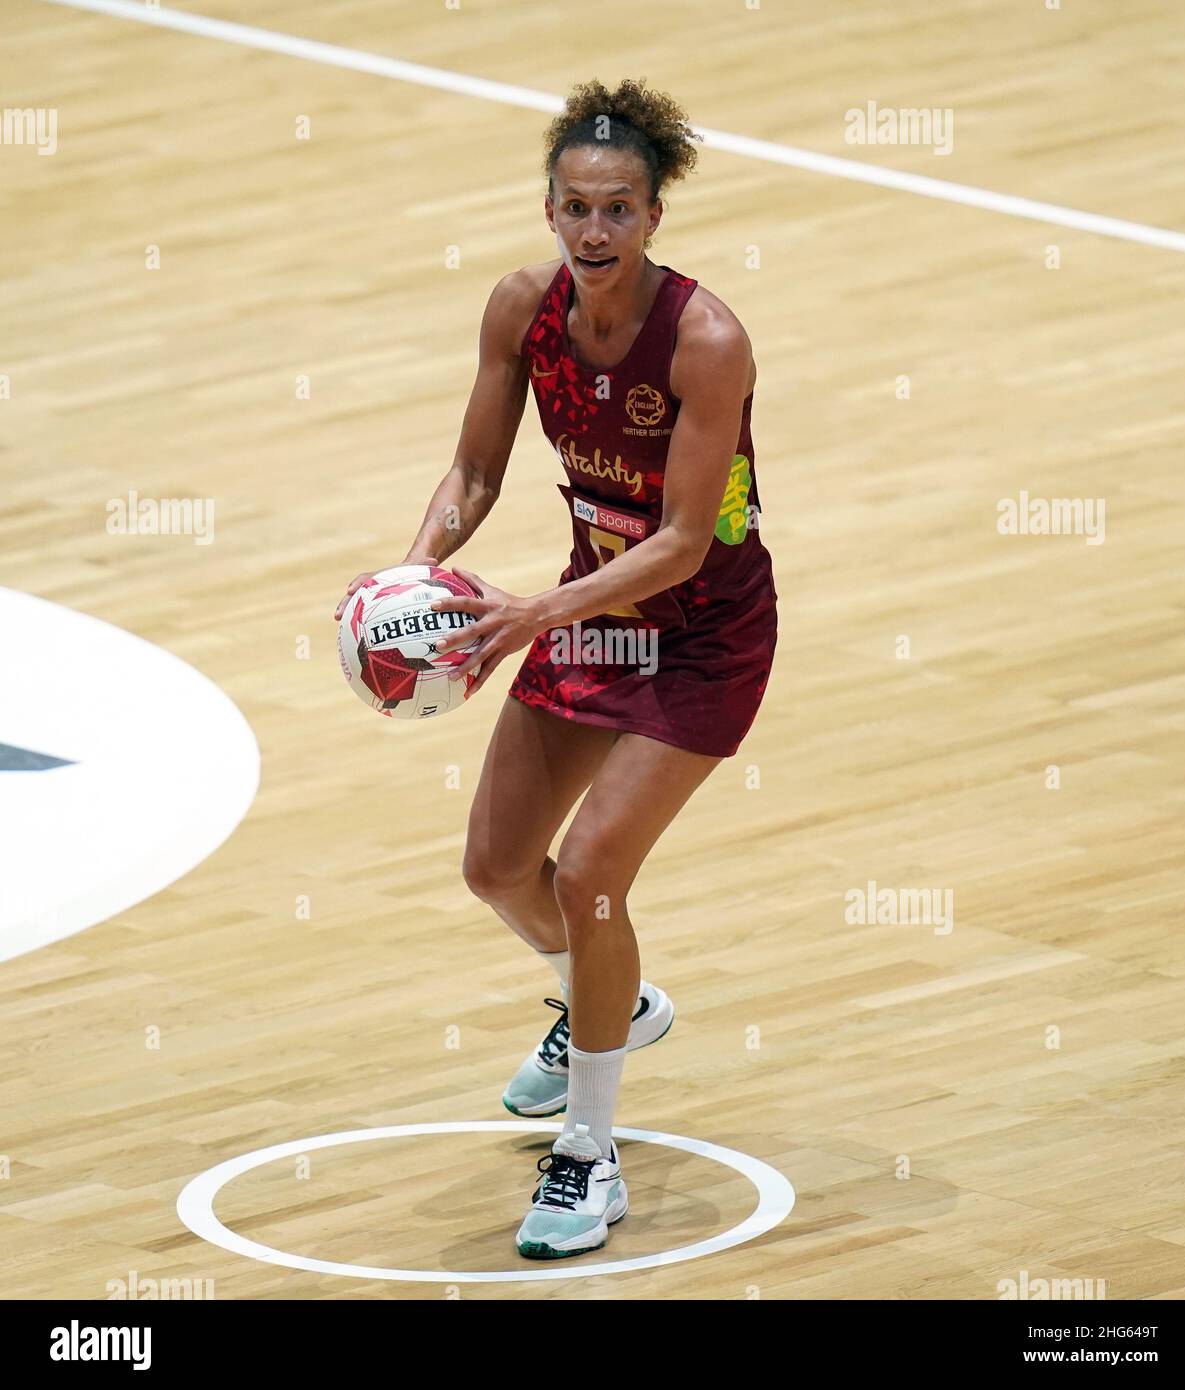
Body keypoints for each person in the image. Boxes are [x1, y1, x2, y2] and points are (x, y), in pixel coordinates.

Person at [334, 77, 777, 1260]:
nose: (594, 231)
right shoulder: (520, 309)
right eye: (575, 207)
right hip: (588, 613)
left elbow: (683, 540)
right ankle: (610, 1004)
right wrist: (410, 574)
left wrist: (534, 613)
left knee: (586, 870)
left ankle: (589, 1155)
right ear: (546, 208)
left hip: (697, 634)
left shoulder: (704, 338)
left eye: (618, 209)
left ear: (652, 217)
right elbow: (472, 475)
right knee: (494, 867)